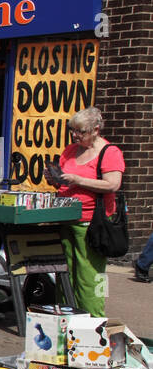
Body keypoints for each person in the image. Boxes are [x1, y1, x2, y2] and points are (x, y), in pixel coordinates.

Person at [53, 106, 125, 316]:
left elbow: (112, 184)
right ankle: (65, 316)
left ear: (96, 129)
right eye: (73, 131)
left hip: (93, 221)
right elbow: (65, 183)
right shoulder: (70, 150)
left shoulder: (109, 152)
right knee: (64, 271)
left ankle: (94, 320)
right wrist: (57, 180)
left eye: (81, 132)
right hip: (66, 216)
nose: (76, 135)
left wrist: (80, 180)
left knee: (91, 275)